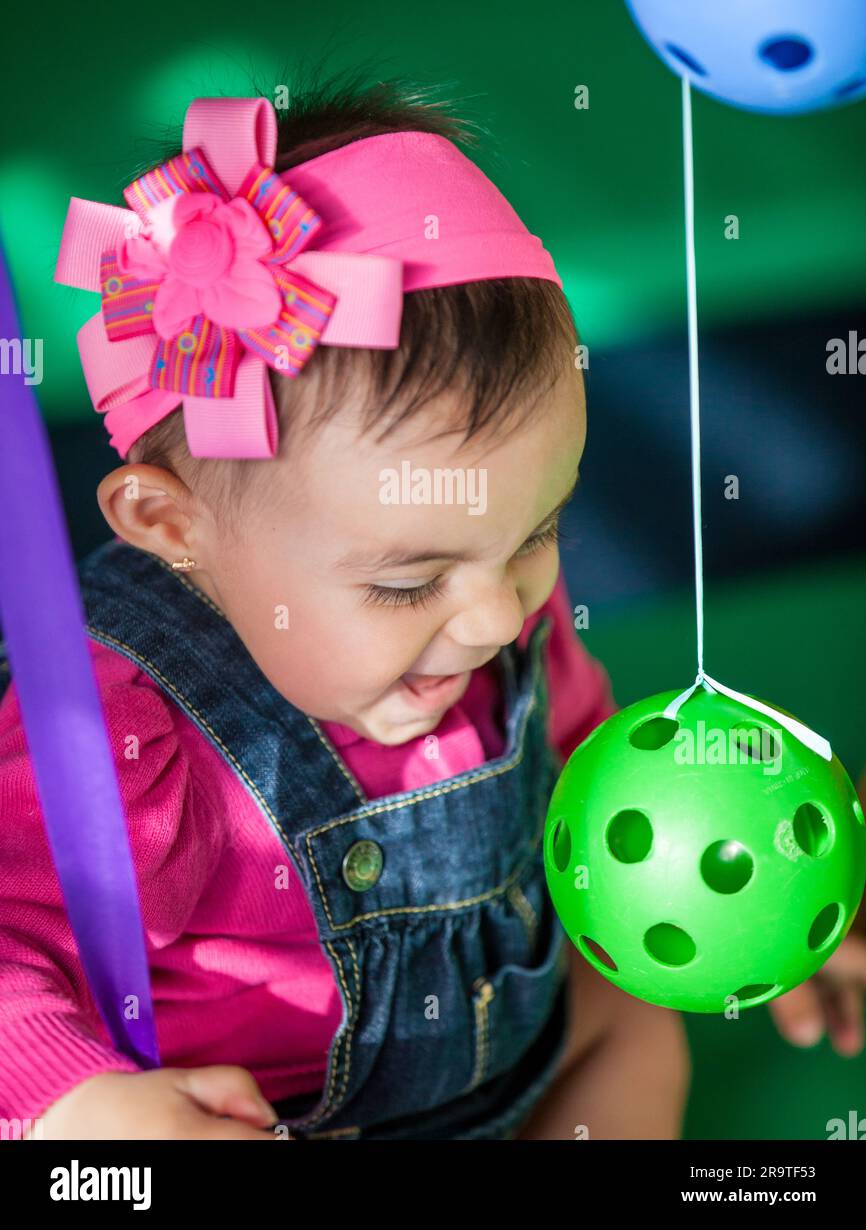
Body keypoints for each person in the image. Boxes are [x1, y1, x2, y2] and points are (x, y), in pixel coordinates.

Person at [1, 73, 694, 1139]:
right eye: (407, 580)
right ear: (174, 525)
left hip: (508, 1068)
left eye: (535, 533)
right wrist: (80, 1106)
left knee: (636, 1020)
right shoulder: (113, 729)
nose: (492, 620)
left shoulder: (497, 614)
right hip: (249, 1120)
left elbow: (582, 786)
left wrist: (708, 906)